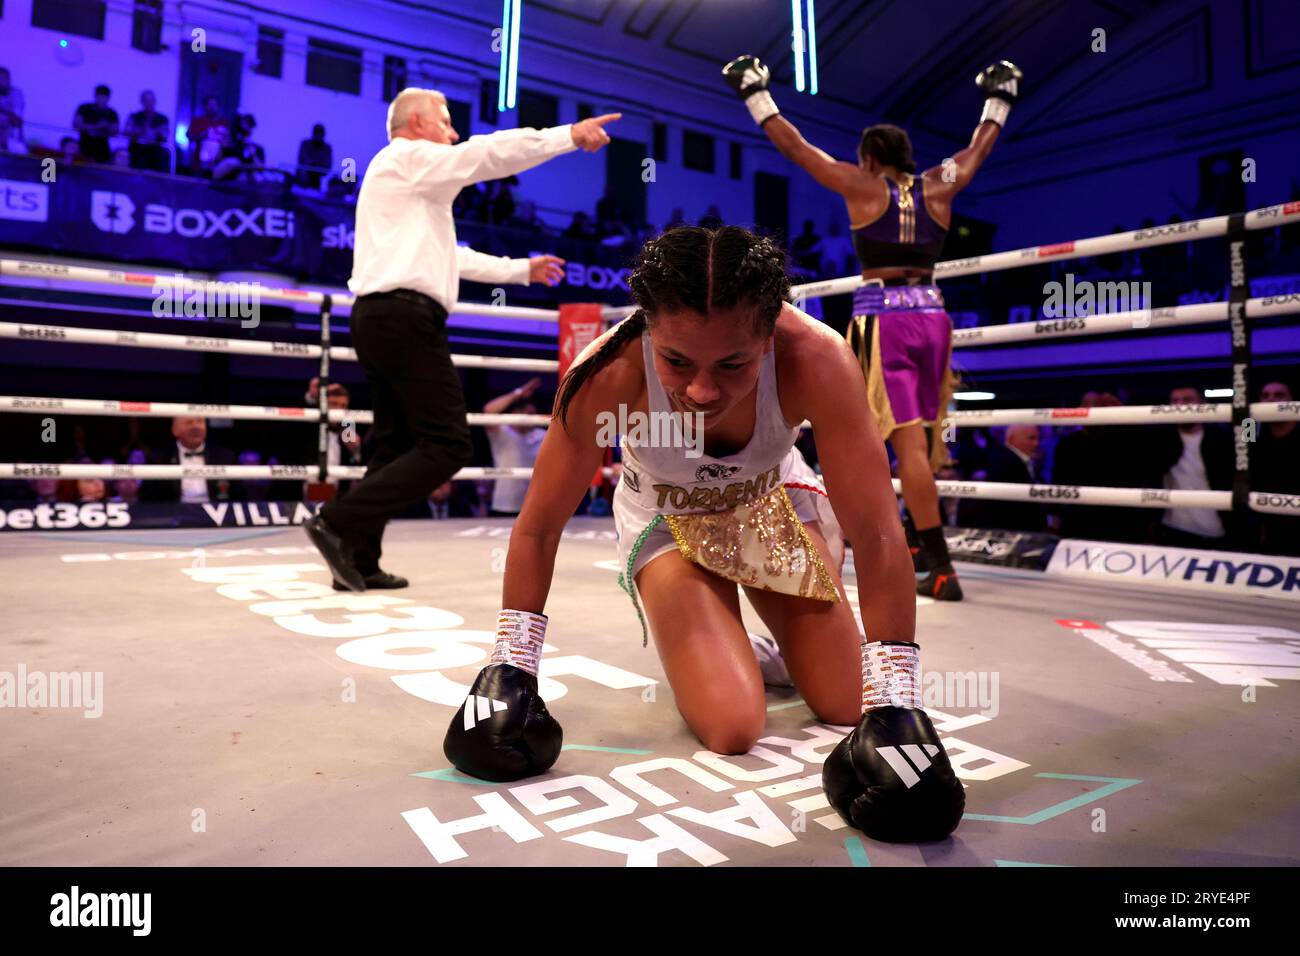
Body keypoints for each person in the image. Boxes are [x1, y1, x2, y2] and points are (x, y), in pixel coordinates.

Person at [441, 227, 965, 843]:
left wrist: (897, 696)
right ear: (649, 330)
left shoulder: (818, 359)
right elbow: (536, 529)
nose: (701, 390)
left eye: (733, 363)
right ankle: (711, 628)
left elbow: (878, 536)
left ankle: (764, 650)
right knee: (733, 726)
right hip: (665, 518)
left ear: (769, 338)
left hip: (774, 500)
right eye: (677, 360)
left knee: (854, 701)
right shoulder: (606, 373)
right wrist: (512, 665)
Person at [724, 54, 1022, 601]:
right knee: (923, 441)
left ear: (868, 158)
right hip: (934, 315)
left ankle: (937, 565)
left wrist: (754, 93)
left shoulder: (863, 188)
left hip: (886, 317)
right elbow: (978, 150)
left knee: (894, 442)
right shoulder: (940, 185)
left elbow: (797, 148)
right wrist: (999, 97)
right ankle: (915, 547)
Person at [303, 87, 619, 593]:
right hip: (402, 316)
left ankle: (357, 560)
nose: (453, 133)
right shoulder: (406, 158)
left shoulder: (413, 188)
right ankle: (338, 521)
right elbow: (486, 152)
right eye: (445, 121)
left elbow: (451, 254)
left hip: (383, 316)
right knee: (449, 443)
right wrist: (567, 135)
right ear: (416, 123)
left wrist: (520, 270)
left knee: (393, 444)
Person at [1151, 386, 1234, 549]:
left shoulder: (1223, 438)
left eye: (1187, 400)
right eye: (1175, 401)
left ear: (1203, 404)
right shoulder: (1161, 438)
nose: (1181, 405)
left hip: (1216, 531)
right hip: (1171, 529)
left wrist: (1248, 418)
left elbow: (1250, 436)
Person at [483, 378, 547, 516]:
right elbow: (489, 411)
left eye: (531, 414)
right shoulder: (502, 432)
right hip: (504, 504)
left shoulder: (542, 435)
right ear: (512, 414)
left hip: (534, 506)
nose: (528, 416)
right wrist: (519, 393)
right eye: (524, 412)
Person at [142, 417, 237, 503]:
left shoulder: (224, 456)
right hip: (173, 516)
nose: (196, 427)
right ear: (175, 430)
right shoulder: (159, 458)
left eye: (200, 421)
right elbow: (148, 498)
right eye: (189, 422)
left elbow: (238, 496)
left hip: (216, 515)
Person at [1253, 380, 1300, 556]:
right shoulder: (1252, 428)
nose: (1270, 400)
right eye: (1265, 396)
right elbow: (1241, 453)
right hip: (1266, 522)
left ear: (1292, 400)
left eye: (1279, 395)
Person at [73, 84, 120, 163]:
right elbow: (76, 125)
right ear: (95, 96)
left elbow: (116, 131)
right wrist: (97, 126)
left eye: (105, 96)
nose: (102, 99)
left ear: (108, 98)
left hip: (103, 148)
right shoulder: (84, 108)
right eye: (100, 96)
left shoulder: (112, 112)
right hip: (85, 145)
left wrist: (107, 127)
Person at [125, 90, 170, 172]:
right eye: (146, 100)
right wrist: (143, 131)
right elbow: (127, 131)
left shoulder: (163, 119)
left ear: (155, 101)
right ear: (142, 102)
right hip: (137, 153)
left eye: (151, 100)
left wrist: (153, 133)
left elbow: (165, 135)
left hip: (156, 155)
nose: (149, 103)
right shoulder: (134, 116)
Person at [297, 123, 332, 189]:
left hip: (316, 181)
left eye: (320, 133)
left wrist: (316, 164)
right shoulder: (305, 144)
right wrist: (315, 163)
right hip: (302, 179)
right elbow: (303, 160)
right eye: (316, 132)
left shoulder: (326, 148)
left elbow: (327, 167)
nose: (318, 135)